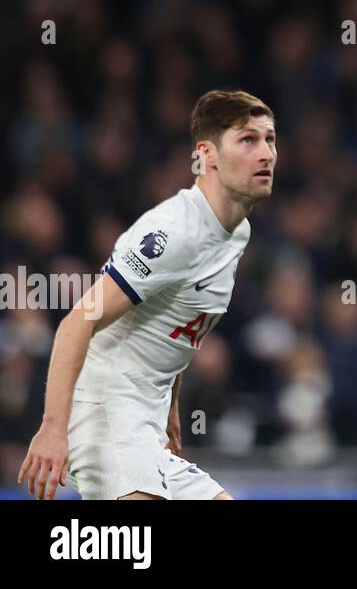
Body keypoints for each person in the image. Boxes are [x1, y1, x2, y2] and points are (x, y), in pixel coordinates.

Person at [18, 89, 277, 500]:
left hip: (144, 418)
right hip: (102, 407)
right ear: (207, 154)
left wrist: (171, 402)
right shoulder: (174, 232)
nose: (265, 153)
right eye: (248, 139)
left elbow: (174, 318)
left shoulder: (236, 233)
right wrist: (52, 429)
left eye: (270, 139)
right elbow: (77, 321)